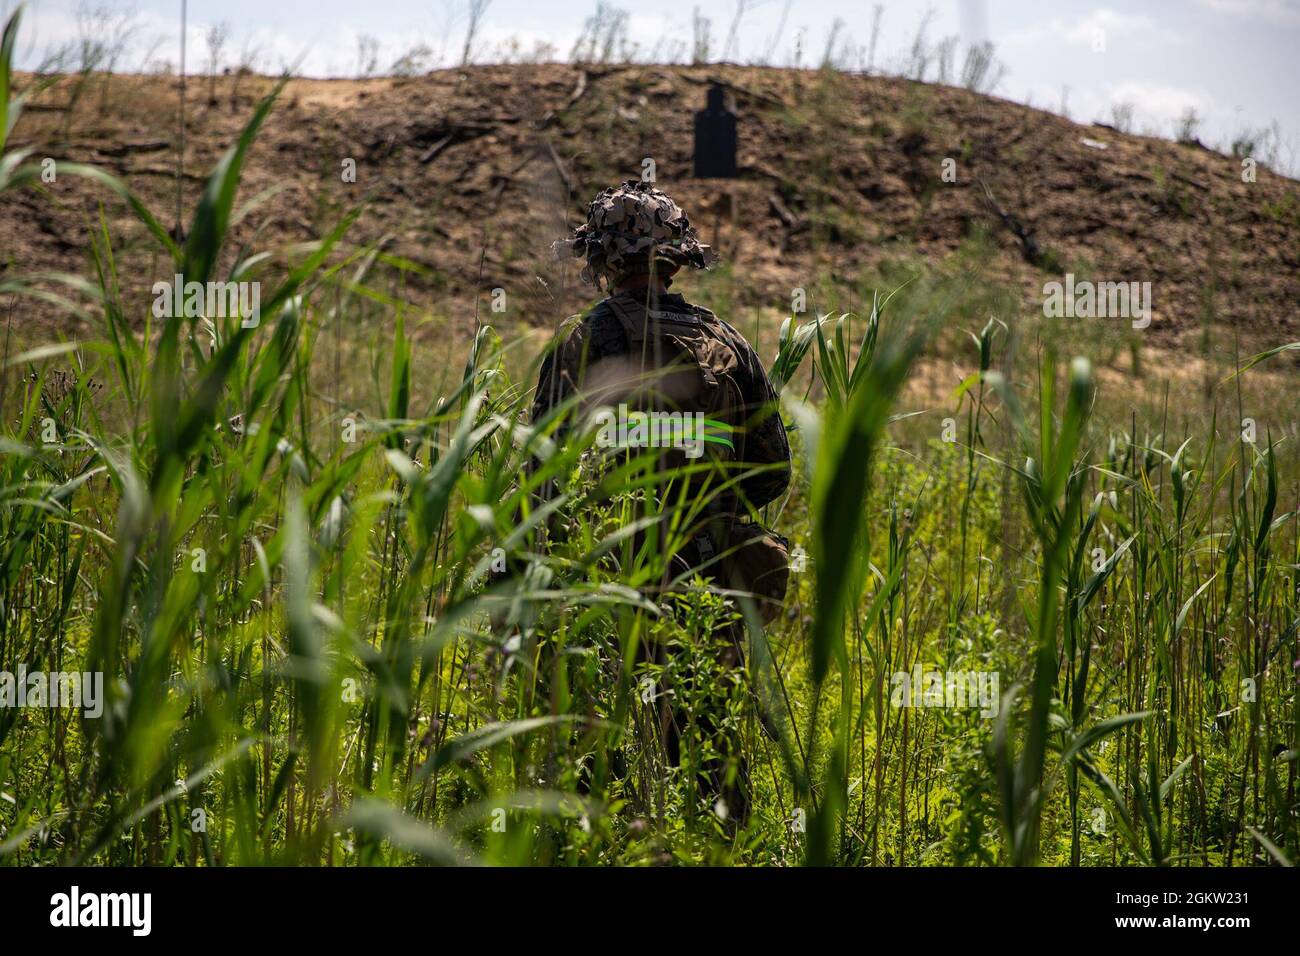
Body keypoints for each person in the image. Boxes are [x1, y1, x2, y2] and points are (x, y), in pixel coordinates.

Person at [533, 179, 792, 823]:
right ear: (676, 259)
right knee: (714, 754)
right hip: (711, 581)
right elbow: (772, 473)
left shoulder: (584, 338)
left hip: (610, 577)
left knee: (604, 761)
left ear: (603, 260)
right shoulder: (729, 344)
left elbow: (543, 478)